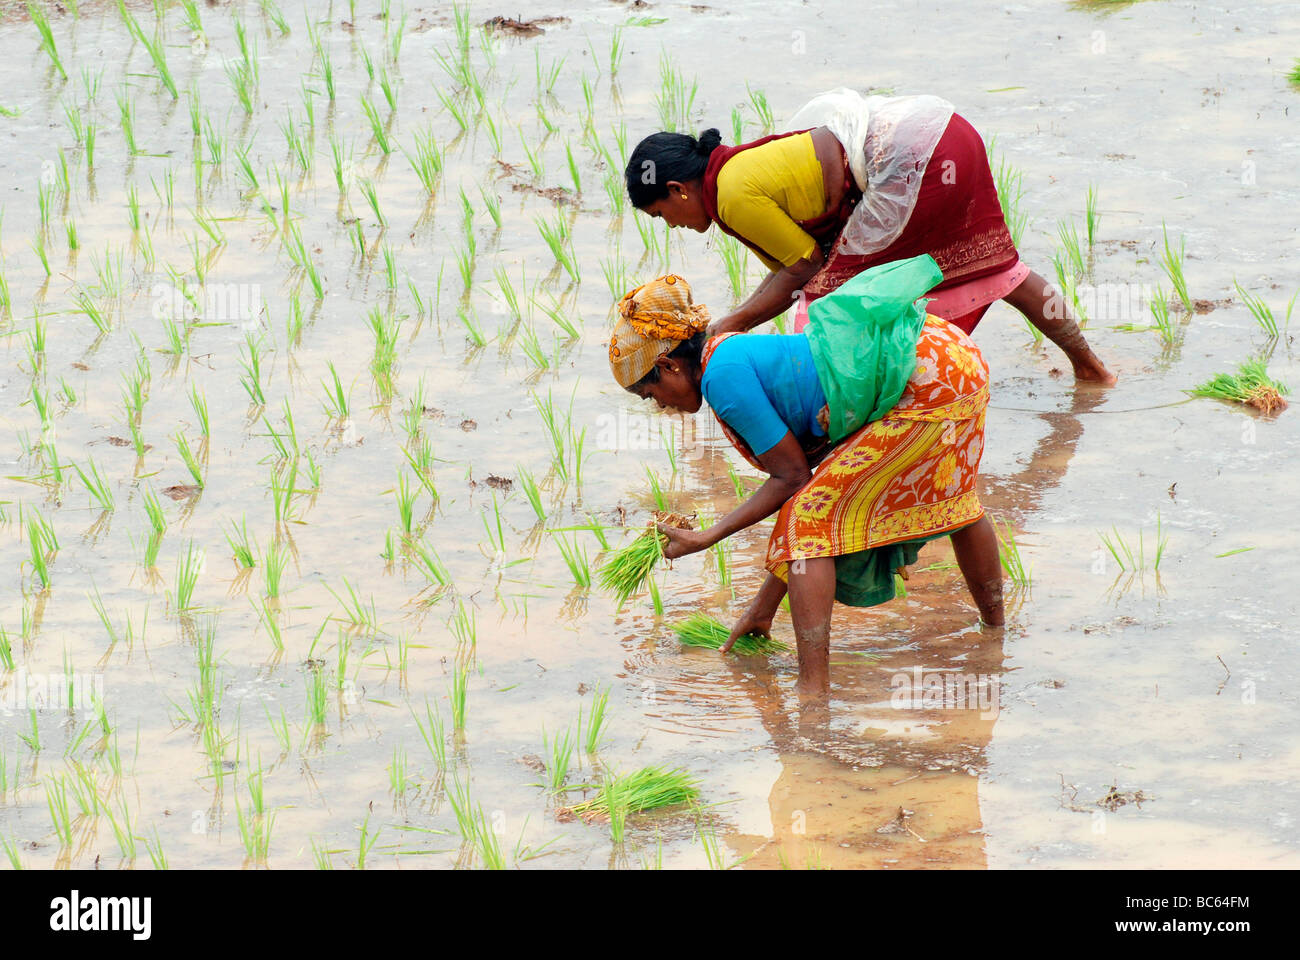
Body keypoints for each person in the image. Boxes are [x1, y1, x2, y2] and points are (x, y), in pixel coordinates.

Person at [607, 256, 1005, 698]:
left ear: (669, 365)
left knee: (807, 522)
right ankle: (997, 634)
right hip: (949, 354)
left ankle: (812, 693)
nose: (658, 405)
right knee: (957, 502)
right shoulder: (728, 352)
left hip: (918, 378)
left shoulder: (722, 378)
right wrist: (761, 609)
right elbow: (806, 475)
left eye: (650, 391)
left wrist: (707, 537)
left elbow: (793, 478)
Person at [624, 87, 1116, 385]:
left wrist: (726, 327)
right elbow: (789, 266)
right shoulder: (733, 169)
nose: (672, 226)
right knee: (996, 266)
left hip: (910, 162)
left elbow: (805, 270)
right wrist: (737, 319)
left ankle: (869, 415)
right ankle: (1090, 367)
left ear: (677, 189)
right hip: (946, 133)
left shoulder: (729, 194)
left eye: (662, 214)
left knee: (821, 310)